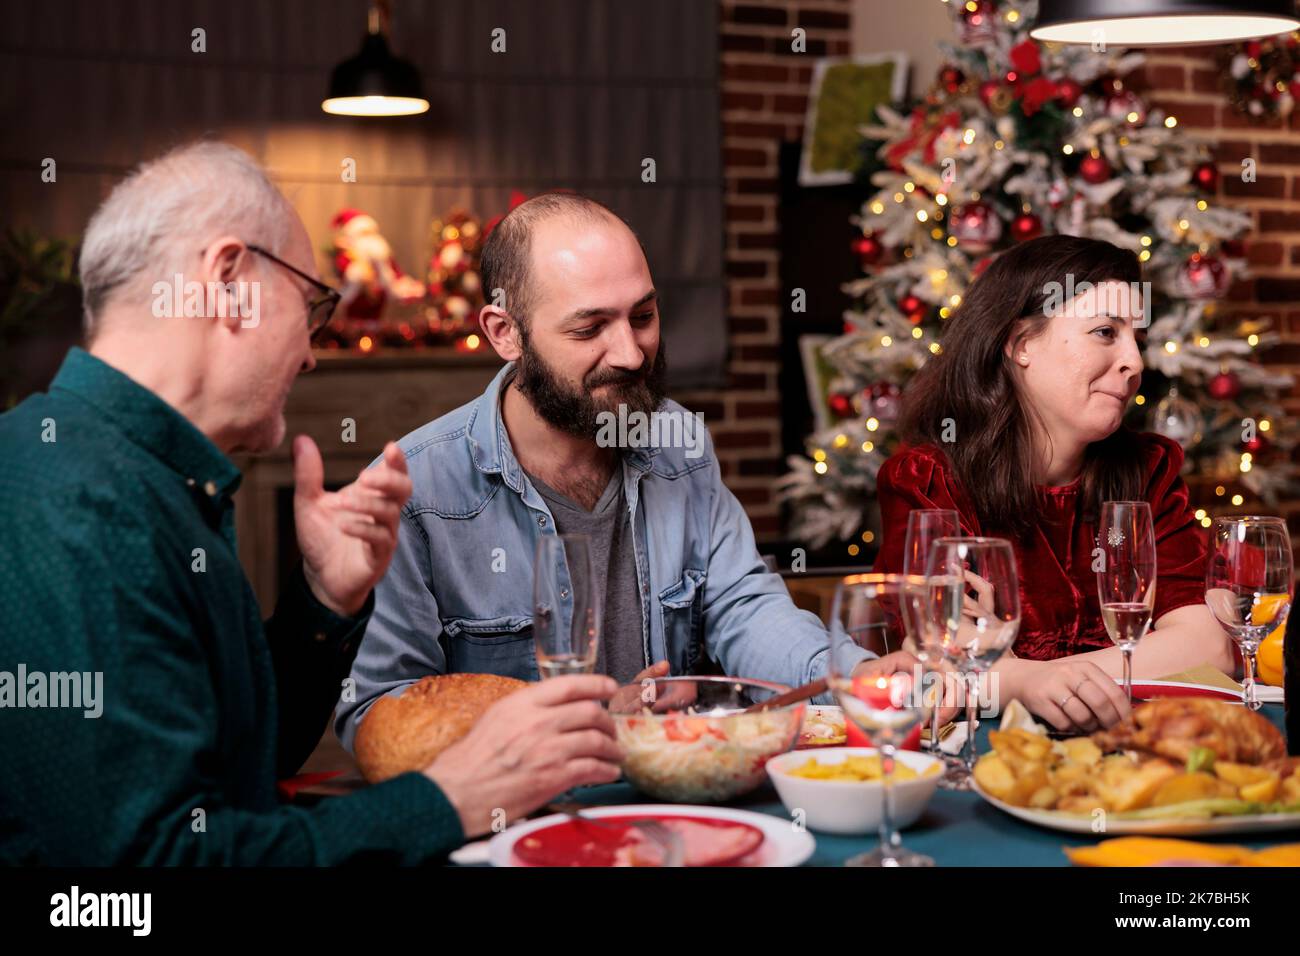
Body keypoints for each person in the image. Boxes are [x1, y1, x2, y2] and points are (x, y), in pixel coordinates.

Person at [0, 142, 622, 865]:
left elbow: (240, 768)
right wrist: (448, 797)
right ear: (227, 282)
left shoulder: (141, 476)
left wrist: (321, 603)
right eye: (311, 305)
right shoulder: (80, 507)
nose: (312, 354)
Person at [336, 193, 931, 752]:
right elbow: (379, 717)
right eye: (589, 328)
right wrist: (572, 725)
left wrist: (853, 673)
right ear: (504, 333)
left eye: (642, 315)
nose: (629, 353)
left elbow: (744, 606)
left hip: (672, 797)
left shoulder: (677, 441)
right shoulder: (416, 489)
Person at [874, 235, 1234, 734]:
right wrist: (1017, 679)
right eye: (1106, 332)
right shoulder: (931, 481)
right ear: (1022, 345)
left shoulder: (1148, 470)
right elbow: (937, 668)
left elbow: (1208, 645)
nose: (1135, 361)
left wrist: (1028, 677)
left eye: (1138, 339)